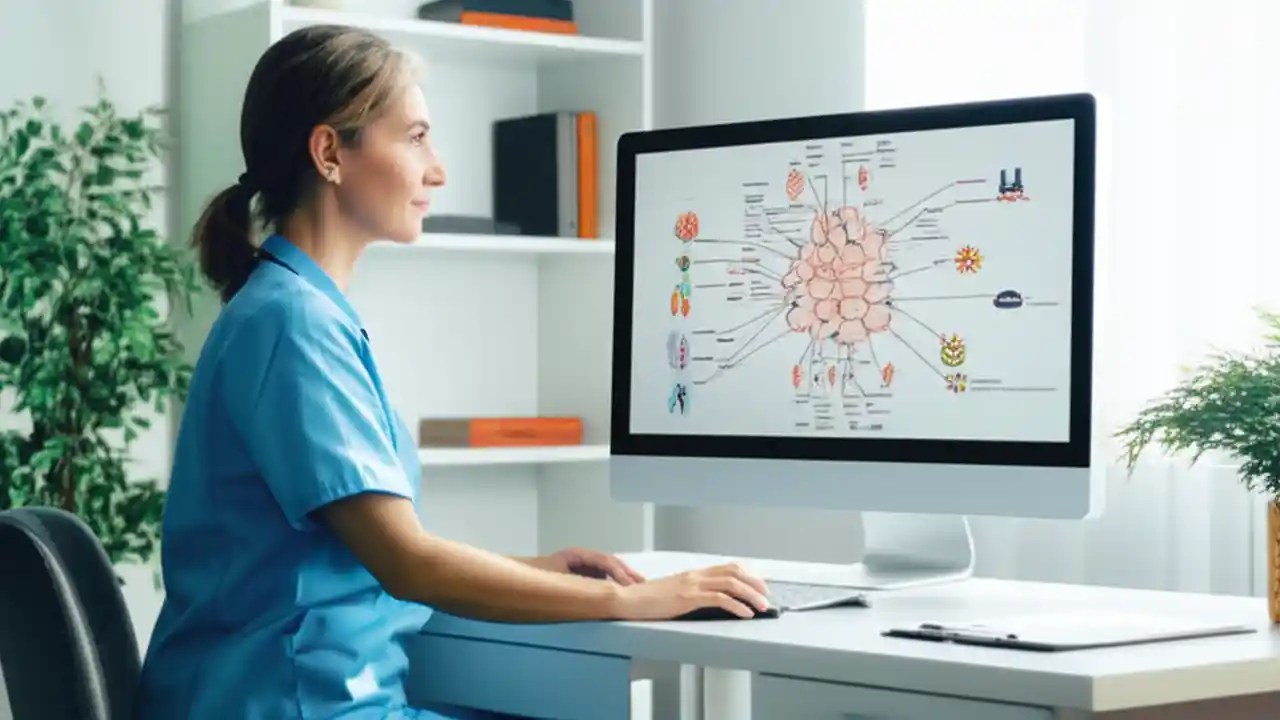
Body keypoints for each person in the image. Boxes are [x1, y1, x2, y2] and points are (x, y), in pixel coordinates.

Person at [133, 23, 770, 720]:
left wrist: (538, 570)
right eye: (415, 138)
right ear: (329, 153)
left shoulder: (294, 309)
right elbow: (408, 562)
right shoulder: (292, 323)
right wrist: (630, 600)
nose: (437, 171)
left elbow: (374, 554)